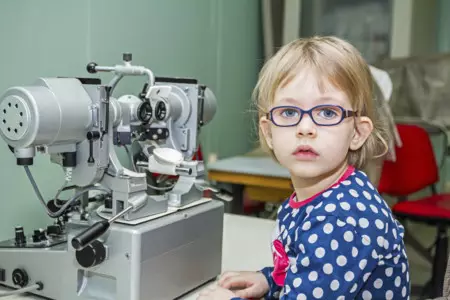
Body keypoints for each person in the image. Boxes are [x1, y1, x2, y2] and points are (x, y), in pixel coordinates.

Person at [197, 36, 410, 300]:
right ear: (269, 132)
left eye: (328, 113)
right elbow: (305, 265)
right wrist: (269, 278)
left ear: (357, 132)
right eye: (288, 112)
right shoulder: (316, 196)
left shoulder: (342, 219)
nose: (305, 128)